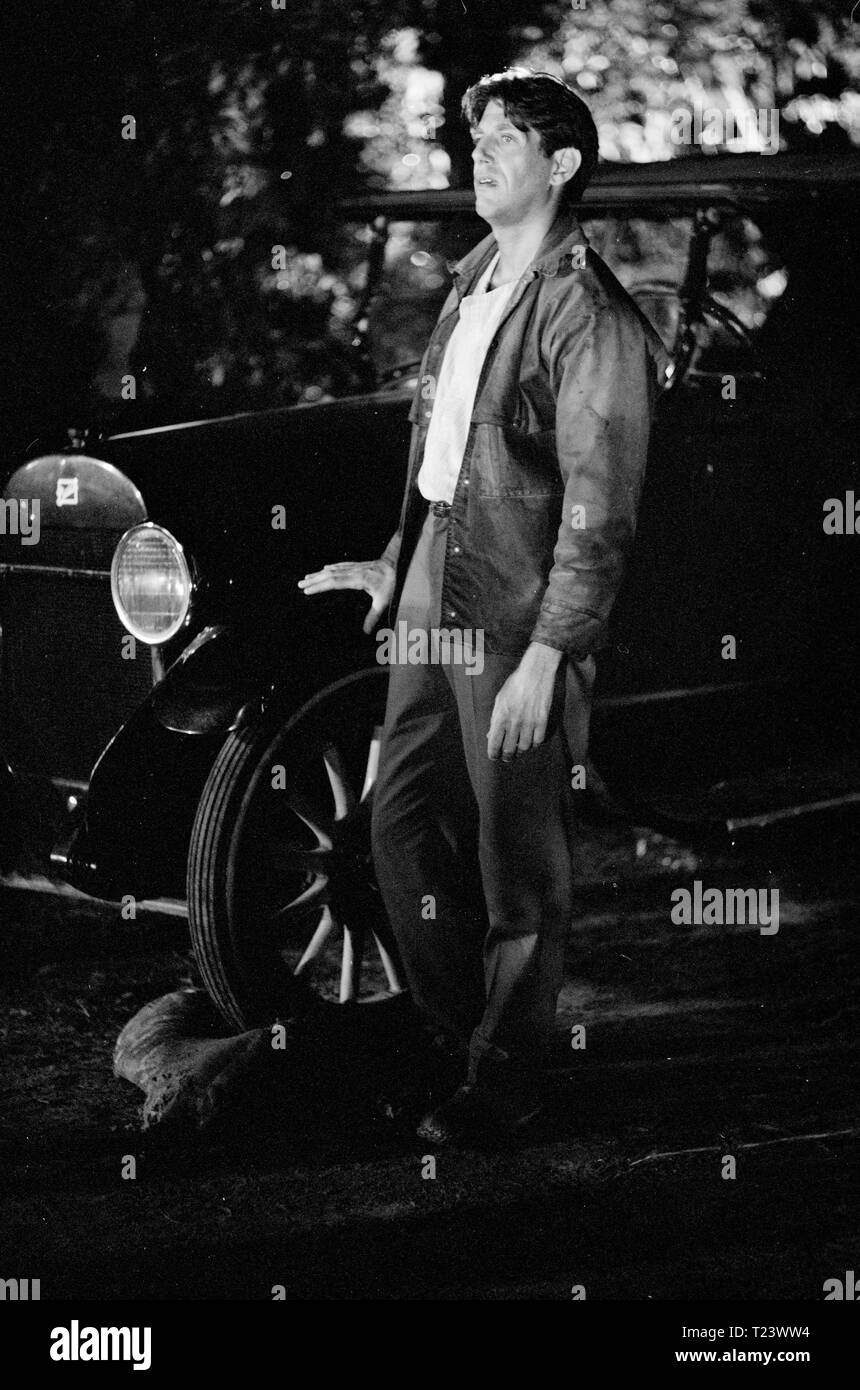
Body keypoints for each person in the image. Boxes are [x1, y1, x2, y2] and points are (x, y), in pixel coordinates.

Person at [299, 68, 669, 1145]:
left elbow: (600, 505)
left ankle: (506, 1081)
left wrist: (550, 655)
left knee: (518, 855)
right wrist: (395, 562)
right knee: (399, 824)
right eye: (477, 140)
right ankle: (453, 1038)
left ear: (562, 164)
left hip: (520, 603)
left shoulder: (587, 312)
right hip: (433, 576)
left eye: (506, 139)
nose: (481, 155)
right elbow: (446, 455)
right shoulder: (472, 284)